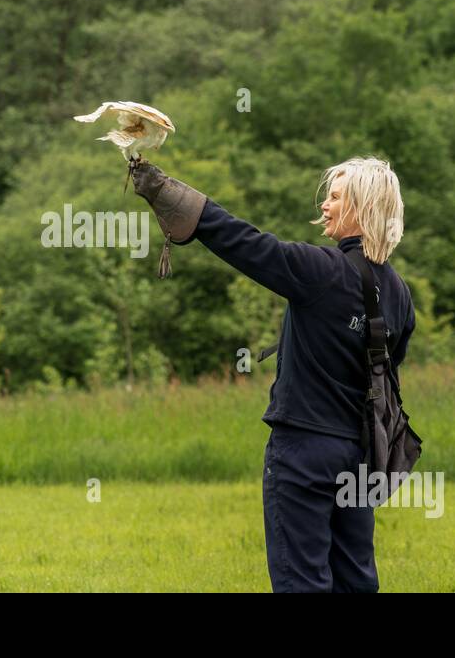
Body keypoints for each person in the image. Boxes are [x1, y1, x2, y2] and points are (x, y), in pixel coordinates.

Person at [131, 156, 414, 593]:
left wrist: (173, 196)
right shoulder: (399, 294)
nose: (324, 206)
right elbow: (386, 371)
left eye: (335, 197)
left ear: (361, 208)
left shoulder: (319, 270)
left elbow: (246, 244)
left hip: (302, 453)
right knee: (356, 581)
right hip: (359, 458)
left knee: (301, 582)